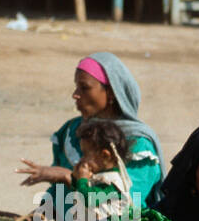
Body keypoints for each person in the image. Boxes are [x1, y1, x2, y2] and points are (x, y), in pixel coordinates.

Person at [18, 53, 164, 210]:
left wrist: (68, 177)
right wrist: (38, 216)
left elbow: (124, 204)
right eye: (76, 87)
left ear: (111, 93)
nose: (75, 95)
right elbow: (57, 195)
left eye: (85, 88)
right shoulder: (71, 131)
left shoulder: (138, 144)